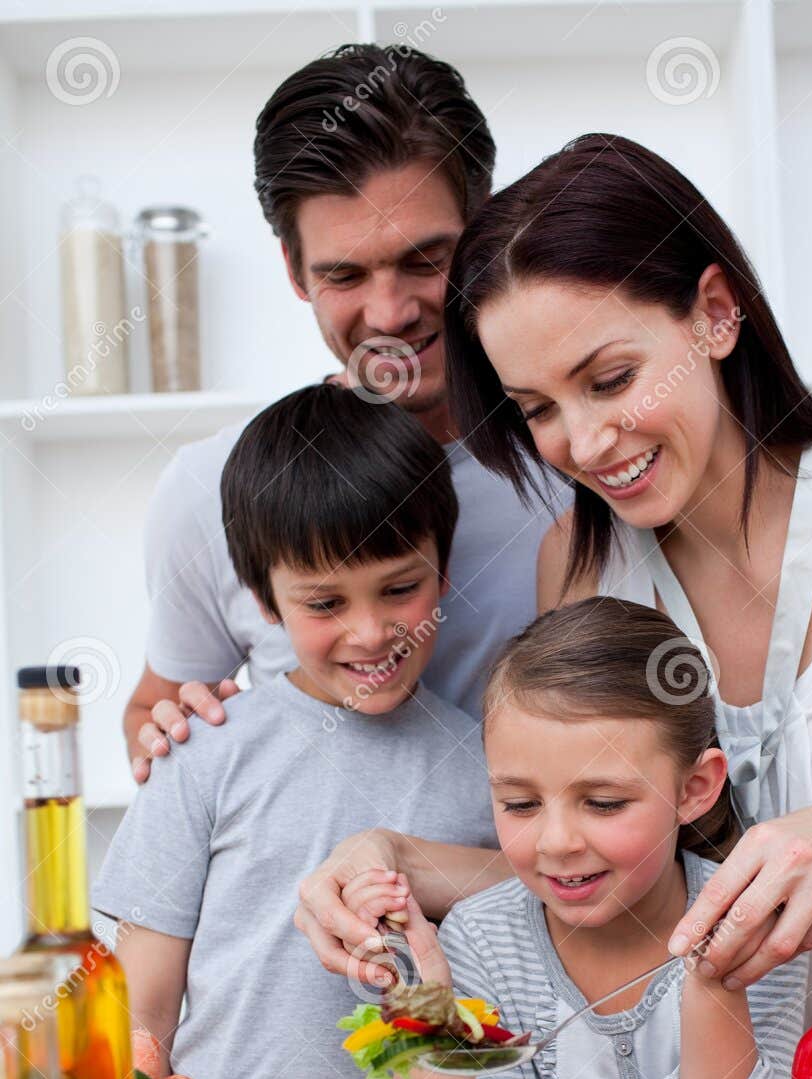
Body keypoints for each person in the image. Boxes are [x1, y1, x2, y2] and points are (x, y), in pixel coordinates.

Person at [298, 133, 812, 1049]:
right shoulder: (582, 569)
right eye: (538, 408)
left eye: (610, 379)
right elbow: (593, 870)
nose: (583, 444)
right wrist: (393, 861)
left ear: (712, 313)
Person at [123, 43, 560, 780]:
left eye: (426, 260)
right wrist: (169, 738)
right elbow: (153, 708)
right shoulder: (211, 489)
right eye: (345, 274)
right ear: (295, 271)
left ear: (485, 232)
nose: (390, 311)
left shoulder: (579, 453)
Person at [94, 384, 496, 1079]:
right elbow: (144, 1010)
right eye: (324, 601)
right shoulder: (201, 749)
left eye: (399, 587)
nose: (370, 631)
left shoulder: (487, 764)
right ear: (263, 602)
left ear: (443, 573)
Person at [373, 599, 806, 1079]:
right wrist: (423, 1012)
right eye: (520, 803)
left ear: (694, 788)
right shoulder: (479, 939)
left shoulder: (756, 928)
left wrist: (713, 981)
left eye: (603, 803)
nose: (556, 841)